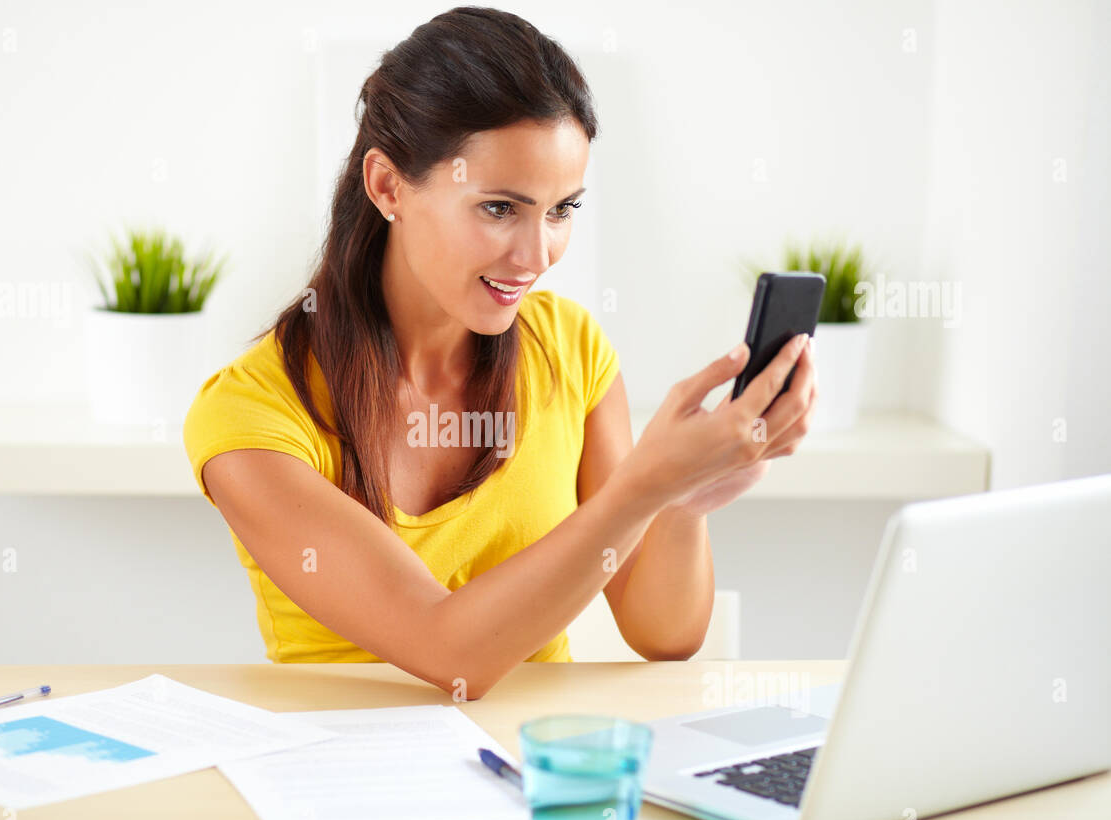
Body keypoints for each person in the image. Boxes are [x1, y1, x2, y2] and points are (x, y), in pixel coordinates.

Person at [183, 7, 816, 699]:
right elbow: (447, 653)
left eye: (562, 210)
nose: (536, 255)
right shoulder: (249, 414)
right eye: (498, 209)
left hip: (532, 769)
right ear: (388, 185)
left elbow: (662, 634)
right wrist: (642, 485)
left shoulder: (570, 349)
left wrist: (679, 502)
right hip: (339, 781)